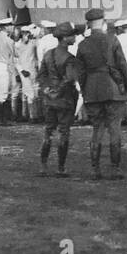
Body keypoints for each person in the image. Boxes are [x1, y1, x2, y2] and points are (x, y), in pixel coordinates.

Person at [76, 8, 127, 181]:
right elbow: (122, 65)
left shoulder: (83, 44)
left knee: (97, 129)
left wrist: (86, 91)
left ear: (88, 24)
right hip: (113, 88)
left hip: (93, 91)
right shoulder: (112, 40)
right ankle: (115, 168)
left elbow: (80, 72)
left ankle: (95, 169)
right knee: (115, 129)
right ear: (103, 21)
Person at [37, 21, 80, 177]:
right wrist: (58, 91)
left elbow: (41, 76)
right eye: (72, 35)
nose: (74, 37)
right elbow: (70, 79)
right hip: (65, 99)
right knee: (64, 132)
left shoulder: (48, 54)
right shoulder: (70, 58)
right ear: (65, 38)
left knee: (48, 132)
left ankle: (43, 165)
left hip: (49, 99)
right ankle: (61, 167)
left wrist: (47, 90)